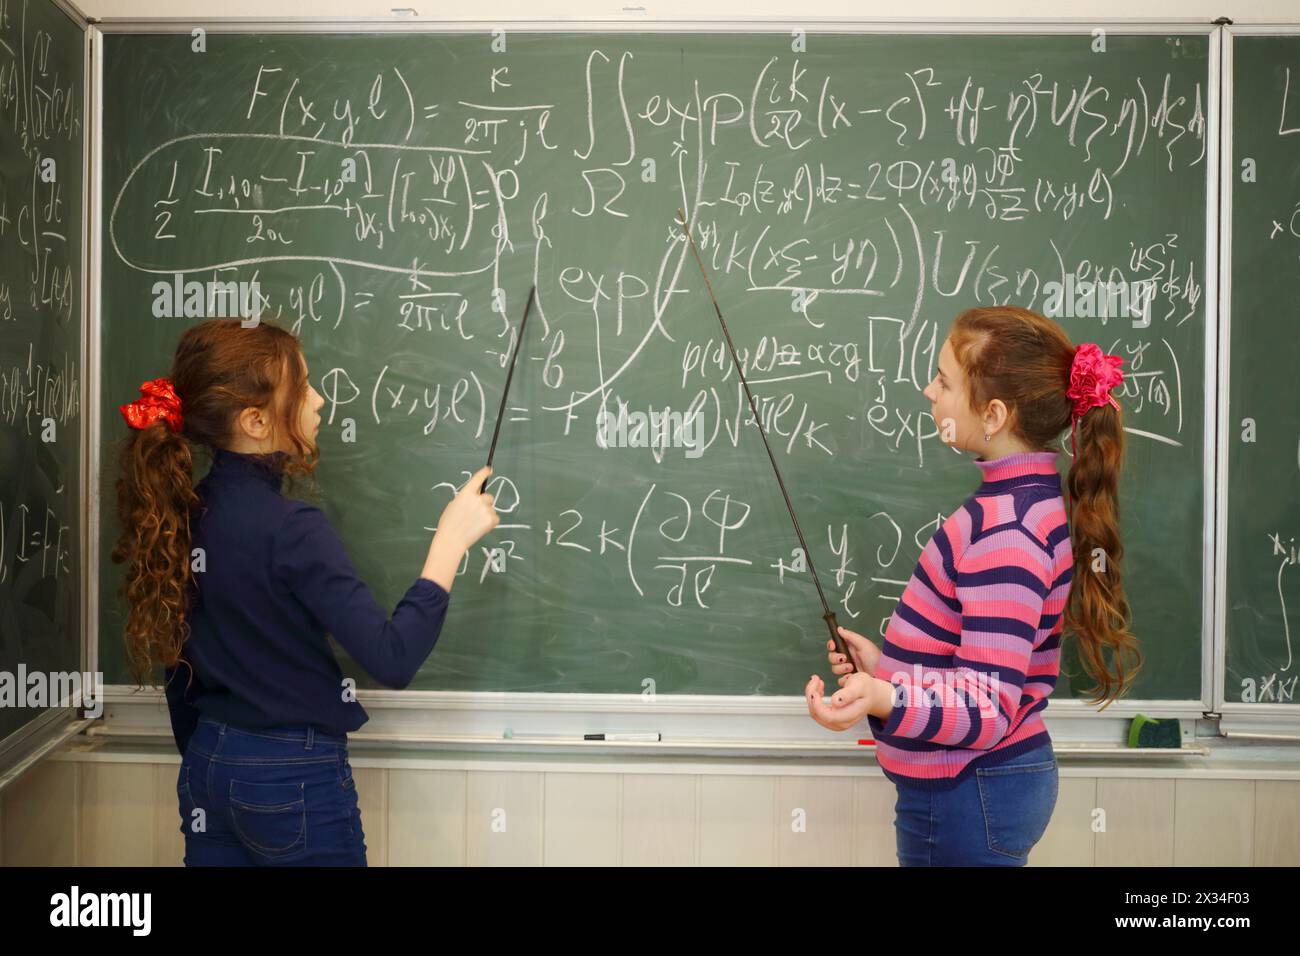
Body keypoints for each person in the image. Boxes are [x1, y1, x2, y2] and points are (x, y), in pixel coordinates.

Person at [112, 318, 499, 865]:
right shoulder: (292, 527)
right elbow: (392, 657)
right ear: (255, 420)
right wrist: (451, 541)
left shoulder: (180, 517)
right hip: (292, 777)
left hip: (208, 764)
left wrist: (218, 760)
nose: (319, 400)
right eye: (304, 388)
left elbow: (180, 672)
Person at [805, 305, 1143, 866]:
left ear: (992, 415)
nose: (928, 391)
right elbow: (975, 669)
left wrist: (886, 697)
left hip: (967, 790)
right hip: (975, 788)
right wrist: (887, 671)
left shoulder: (1007, 533)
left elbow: (986, 707)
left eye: (944, 381)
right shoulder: (1015, 509)